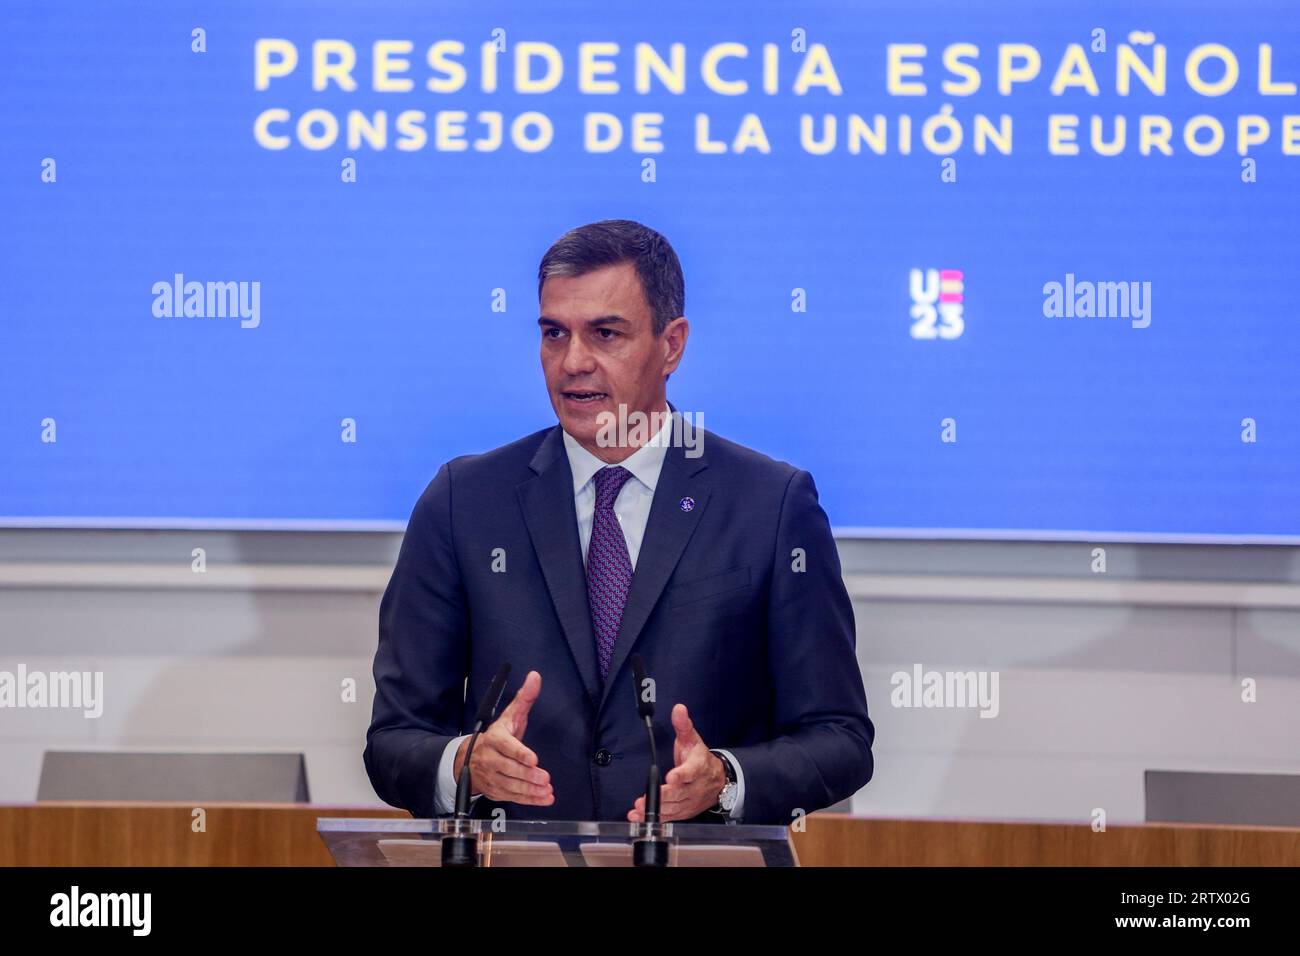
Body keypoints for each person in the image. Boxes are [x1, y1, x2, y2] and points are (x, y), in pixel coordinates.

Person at [363, 219, 873, 825]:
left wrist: (726, 780)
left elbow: (839, 738)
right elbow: (393, 740)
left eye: (605, 333)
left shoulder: (771, 503)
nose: (573, 361)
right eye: (554, 333)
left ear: (672, 344)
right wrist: (462, 762)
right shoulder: (465, 502)